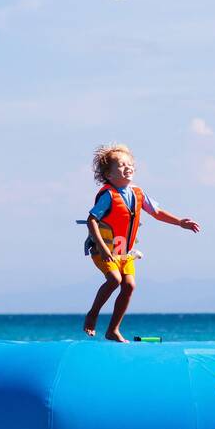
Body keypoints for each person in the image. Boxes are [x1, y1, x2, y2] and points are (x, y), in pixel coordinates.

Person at [82, 143, 200, 341]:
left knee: (129, 285)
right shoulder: (109, 196)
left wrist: (179, 222)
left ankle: (113, 330)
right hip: (105, 248)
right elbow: (91, 220)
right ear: (109, 175)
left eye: (129, 164)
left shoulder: (138, 193)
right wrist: (102, 247)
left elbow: (156, 212)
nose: (127, 167)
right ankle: (92, 314)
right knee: (115, 280)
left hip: (123, 249)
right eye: (120, 165)